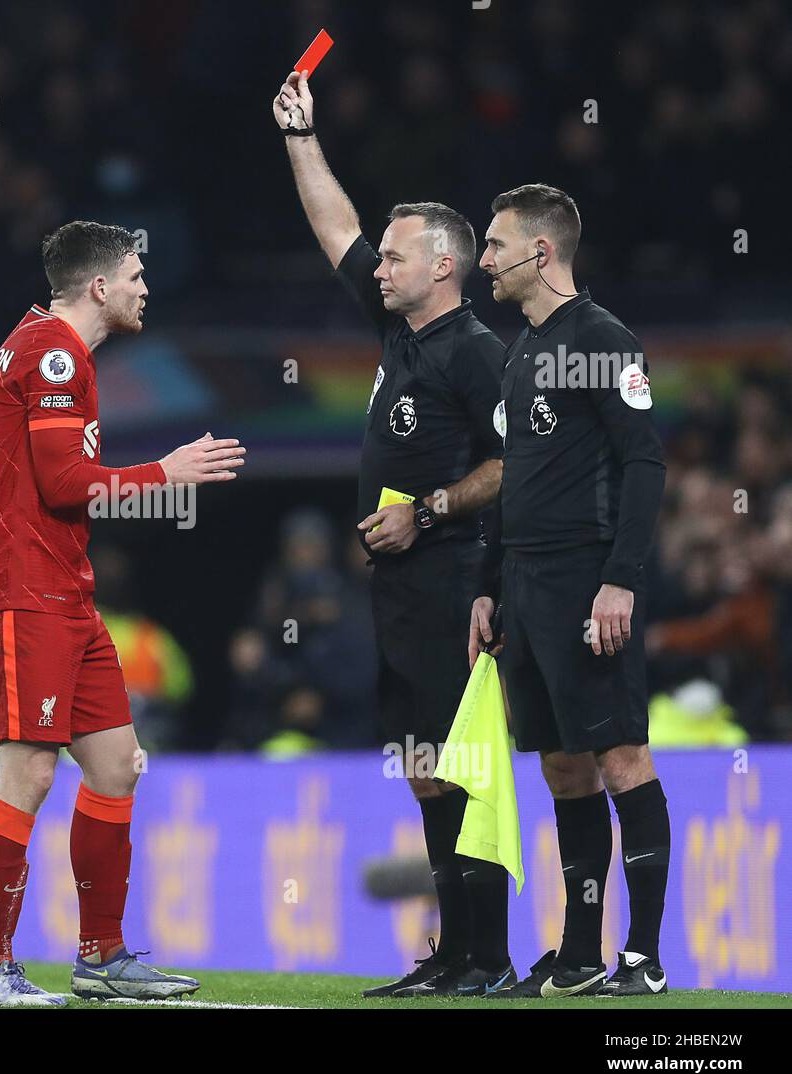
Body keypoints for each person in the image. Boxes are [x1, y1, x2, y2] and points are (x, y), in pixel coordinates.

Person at [0, 220, 243, 1002]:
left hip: (61, 590)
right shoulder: (55, 354)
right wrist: (168, 471)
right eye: (135, 275)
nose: (145, 288)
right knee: (28, 770)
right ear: (99, 287)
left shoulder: (38, 345)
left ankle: (102, 956)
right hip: (23, 591)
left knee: (116, 765)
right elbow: (61, 483)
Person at [276, 70, 513, 995]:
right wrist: (302, 138)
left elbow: (513, 467)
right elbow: (338, 228)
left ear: (442, 268)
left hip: (458, 587)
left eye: (395, 258)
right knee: (423, 773)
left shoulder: (477, 354)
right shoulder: (403, 337)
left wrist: (429, 511)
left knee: (461, 776)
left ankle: (486, 956)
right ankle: (451, 953)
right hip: (402, 592)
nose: (378, 265)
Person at [473, 183, 670, 997]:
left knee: (620, 755)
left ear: (539, 252)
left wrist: (619, 581)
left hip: (586, 581)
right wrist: (489, 587)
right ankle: (581, 951)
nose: (484, 259)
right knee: (562, 768)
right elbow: (514, 479)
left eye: (493, 244)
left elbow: (645, 463)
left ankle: (644, 958)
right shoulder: (522, 349)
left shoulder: (601, 339)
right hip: (524, 587)